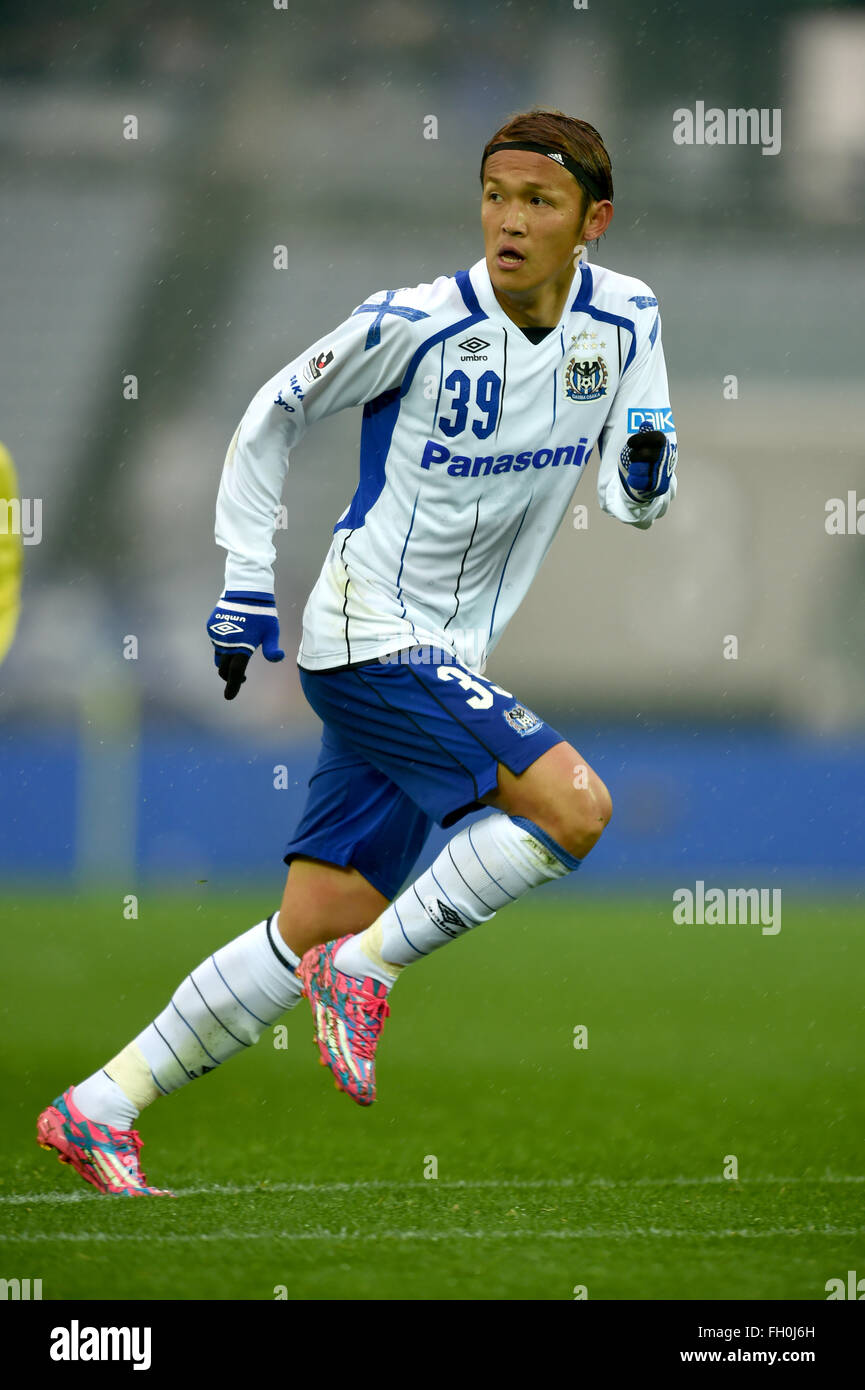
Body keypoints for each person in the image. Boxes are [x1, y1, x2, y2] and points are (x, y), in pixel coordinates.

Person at [37, 108, 678, 1195]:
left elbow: (633, 500)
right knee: (572, 807)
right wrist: (246, 577)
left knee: (315, 919)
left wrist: (648, 473)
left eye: (539, 202)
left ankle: (100, 1104)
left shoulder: (628, 321)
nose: (508, 221)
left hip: (446, 650)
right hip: (364, 633)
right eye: (494, 196)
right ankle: (368, 974)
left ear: (593, 222)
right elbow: (271, 412)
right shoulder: (415, 323)